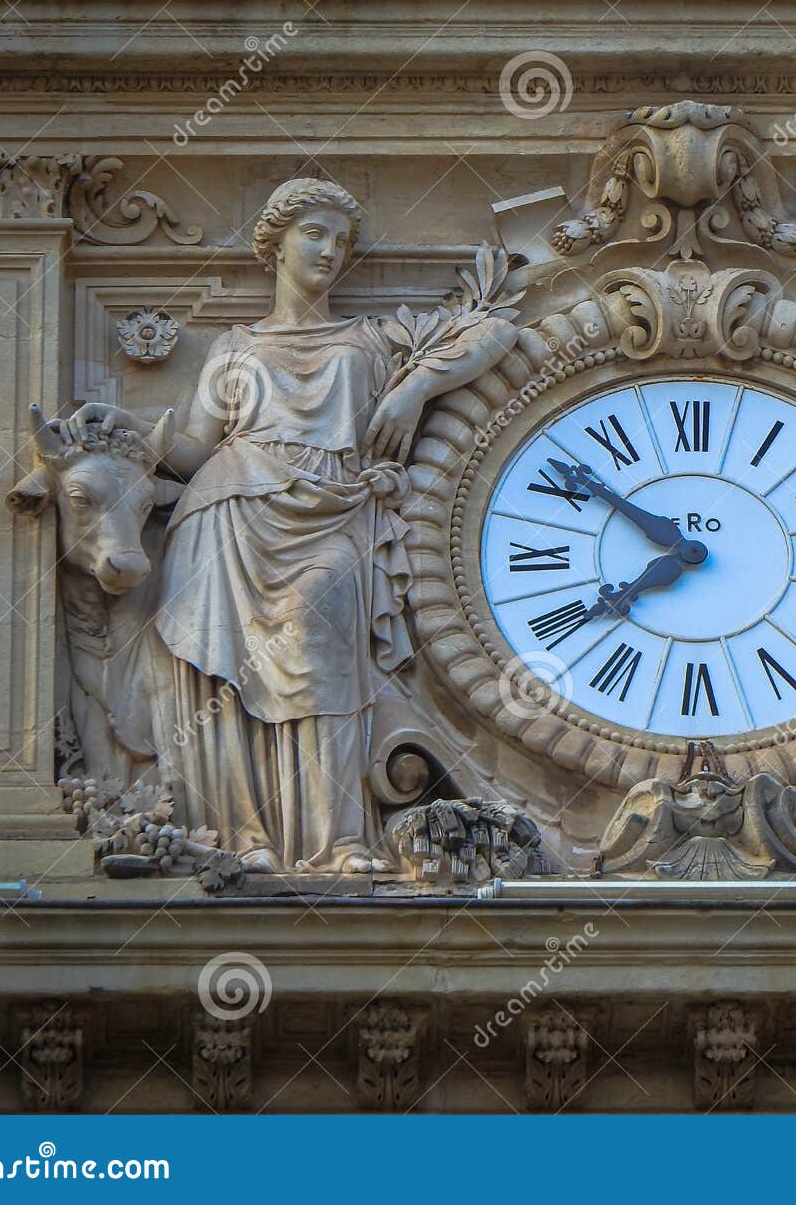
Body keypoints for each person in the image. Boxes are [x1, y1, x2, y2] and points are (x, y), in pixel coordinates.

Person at [62, 178, 511, 872]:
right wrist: (130, 429)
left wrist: (418, 384)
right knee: (223, 682)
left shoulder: (373, 338)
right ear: (275, 244)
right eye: (315, 234)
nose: (330, 251)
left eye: (341, 240)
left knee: (320, 654)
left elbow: (497, 329)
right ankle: (246, 837)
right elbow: (196, 449)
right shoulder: (234, 348)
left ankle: (337, 839)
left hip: (331, 518)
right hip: (226, 514)